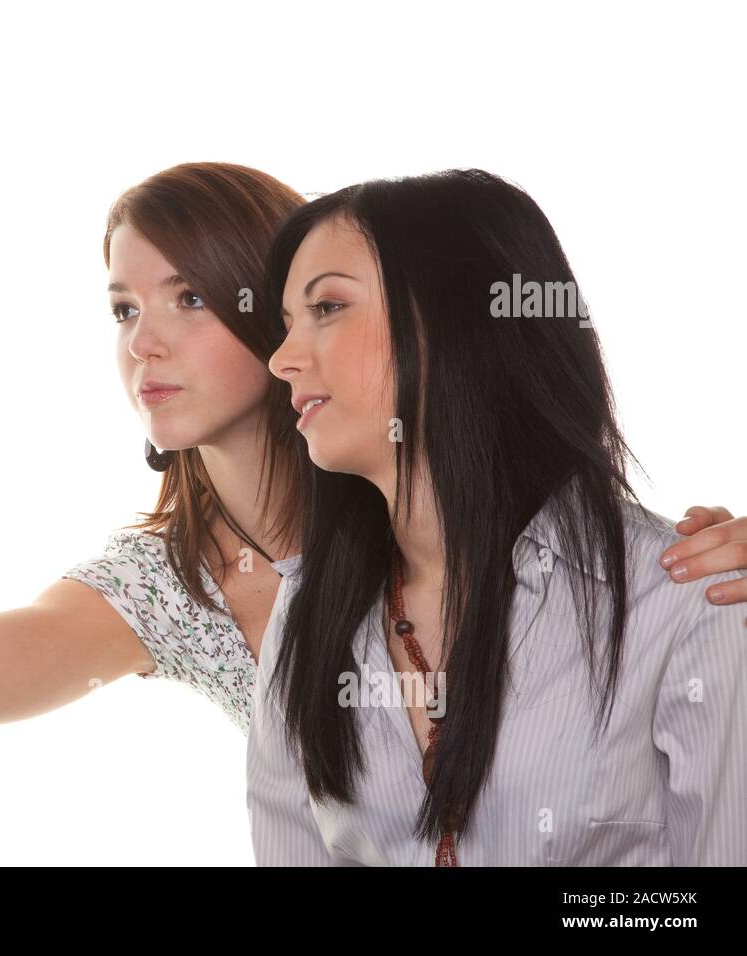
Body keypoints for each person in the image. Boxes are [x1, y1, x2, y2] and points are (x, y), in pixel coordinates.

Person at [0, 163, 747, 749]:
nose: (146, 340)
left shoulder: (421, 489)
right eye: (121, 307)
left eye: (187, 297)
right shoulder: (162, 582)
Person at [248, 168, 747, 865]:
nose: (282, 359)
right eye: (285, 324)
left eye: (328, 307)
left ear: (461, 319)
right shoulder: (306, 609)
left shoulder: (689, 597)